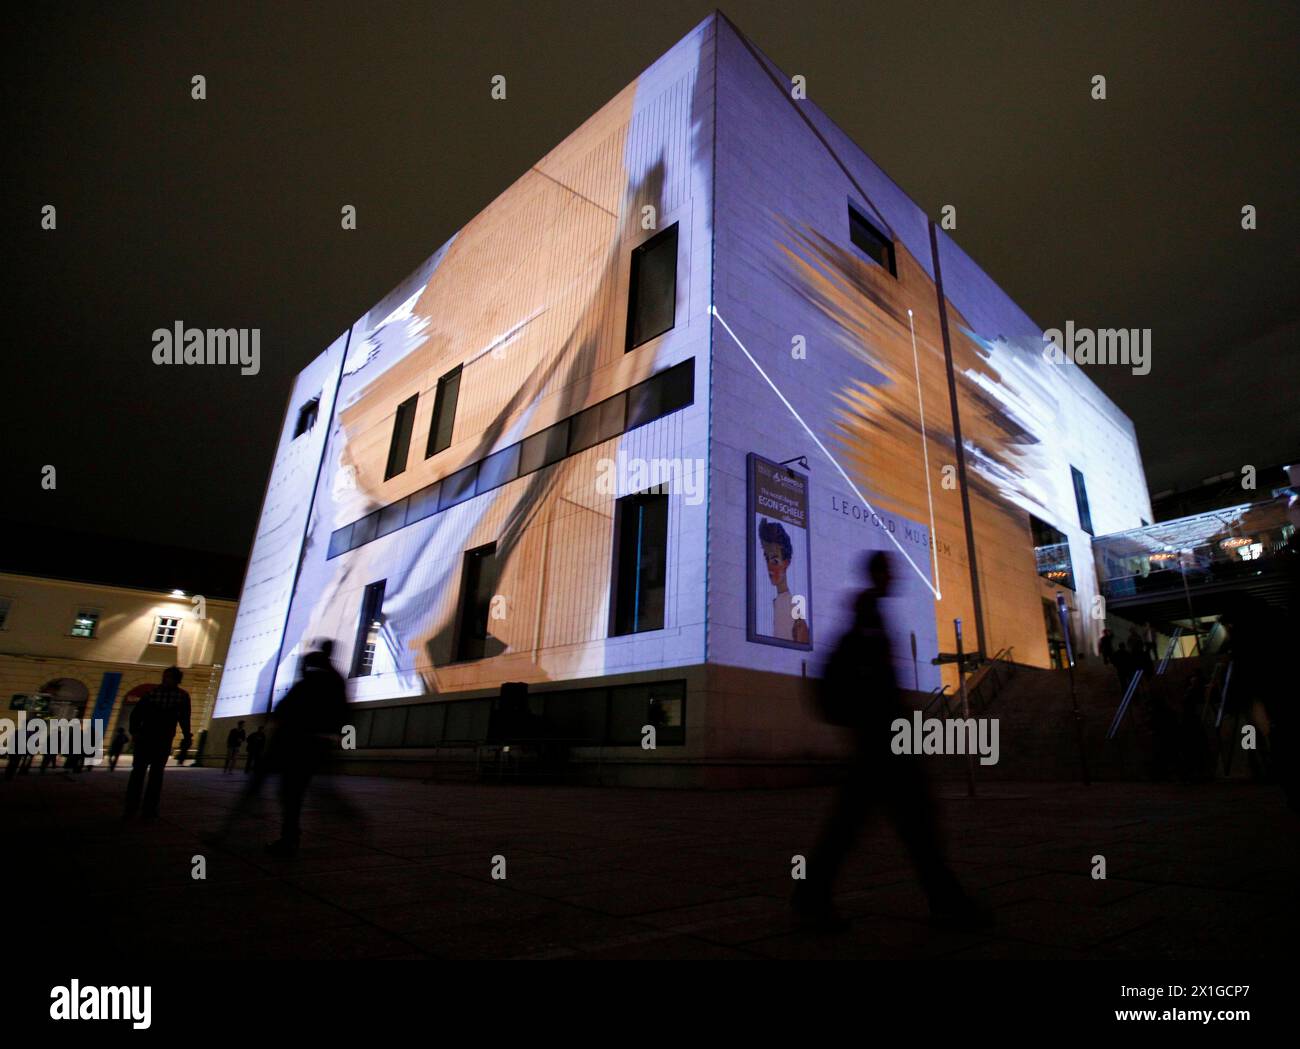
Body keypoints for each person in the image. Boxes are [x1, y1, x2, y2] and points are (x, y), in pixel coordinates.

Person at [794, 551, 988, 933]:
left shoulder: (870, 618)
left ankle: (813, 895)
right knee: (908, 826)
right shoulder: (868, 623)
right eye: (888, 571)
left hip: (880, 744)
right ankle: (945, 900)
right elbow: (875, 687)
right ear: (878, 575)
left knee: (875, 825)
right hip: (882, 745)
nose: (893, 578)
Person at [123, 667, 191, 820]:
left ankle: (137, 809)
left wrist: (135, 731)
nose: (166, 680)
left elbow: (137, 714)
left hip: (156, 739)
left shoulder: (152, 694)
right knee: (148, 774)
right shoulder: (180, 696)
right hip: (156, 739)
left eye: (169, 677)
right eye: (166, 677)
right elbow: (184, 719)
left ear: (176, 679)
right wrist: (187, 736)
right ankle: (143, 809)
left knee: (146, 774)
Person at [759, 518, 809, 644]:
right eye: (767, 559)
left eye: (775, 561)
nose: (770, 568)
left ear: (786, 563)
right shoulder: (770, 603)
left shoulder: (794, 608)